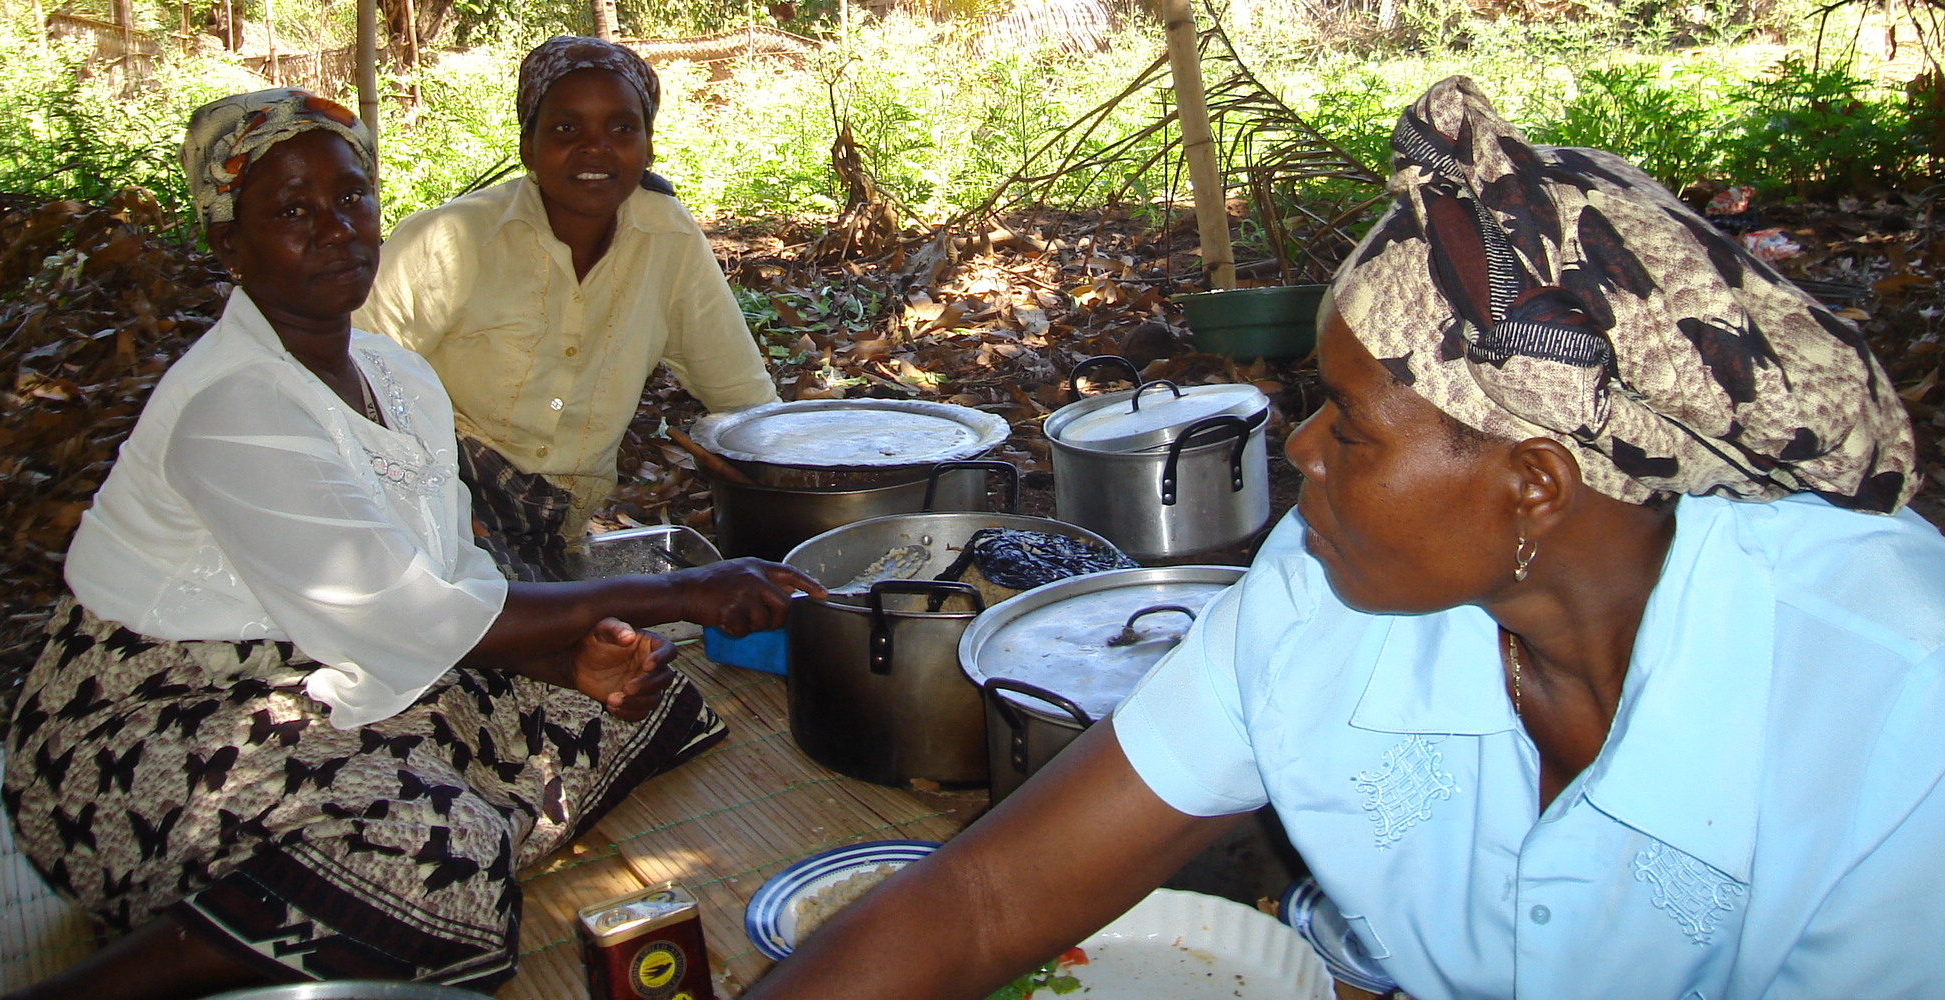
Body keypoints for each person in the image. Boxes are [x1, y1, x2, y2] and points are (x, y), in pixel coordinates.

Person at [747, 77, 1945, 1000]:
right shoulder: (1314, 598)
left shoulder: (1891, 696)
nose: (1300, 453)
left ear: (1533, 484)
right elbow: (983, 896)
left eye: (1352, 429)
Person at [1, 88, 821, 1000]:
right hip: (161, 723)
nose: (337, 229)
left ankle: (339, 877)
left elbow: (453, 573)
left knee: (628, 708)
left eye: (352, 199)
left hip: (328, 662)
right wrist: (680, 592)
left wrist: (562, 665)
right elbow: (415, 613)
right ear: (228, 245)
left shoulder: (391, 373)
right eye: (293, 212)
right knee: (441, 861)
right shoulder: (234, 404)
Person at [357, 36, 778, 580]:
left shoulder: (666, 239)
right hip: (439, 485)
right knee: (488, 622)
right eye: (565, 129)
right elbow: (352, 380)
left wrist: (790, 494)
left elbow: (743, 400)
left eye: (622, 129)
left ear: (648, 146)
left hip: (554, 523)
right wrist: (433, 506)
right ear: (528, 146)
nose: (594, 148)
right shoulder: (450, 239)